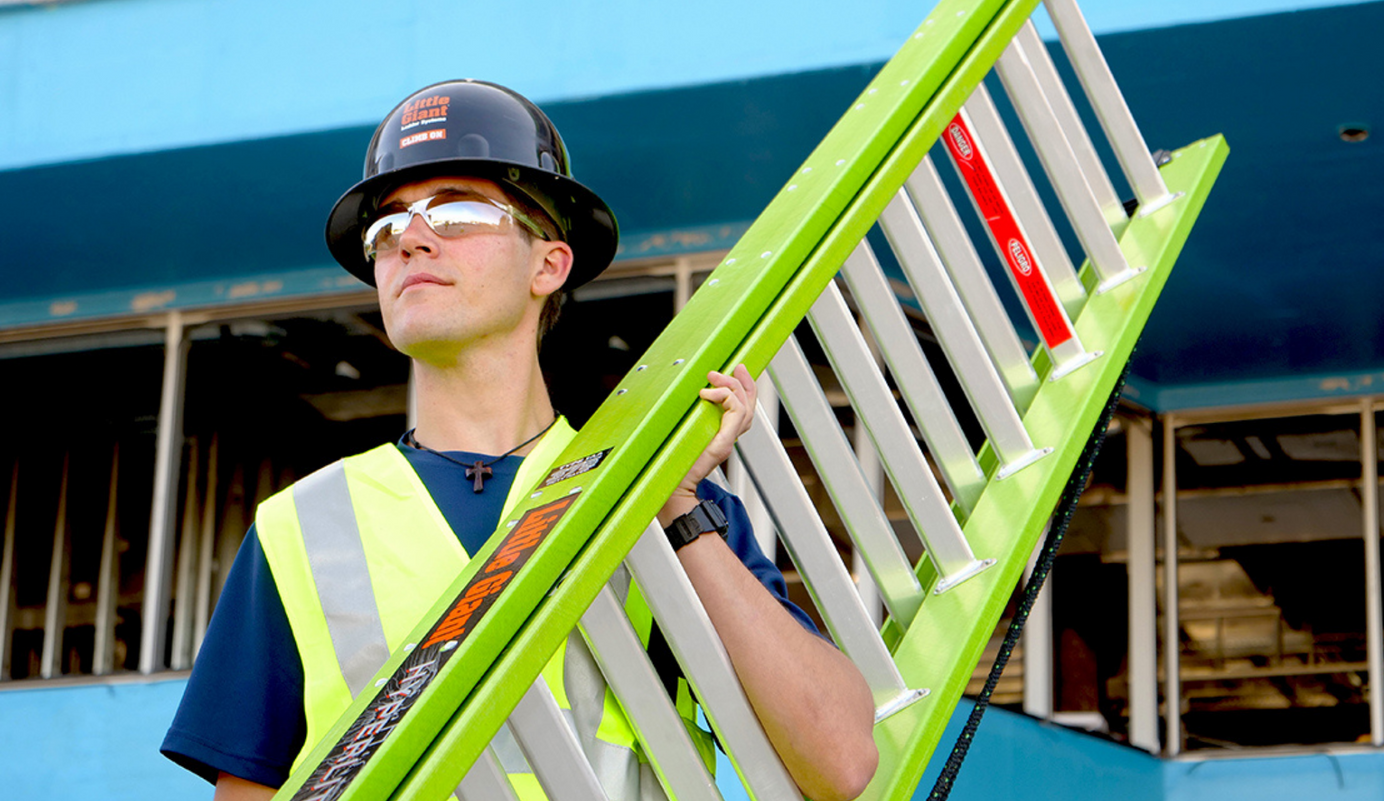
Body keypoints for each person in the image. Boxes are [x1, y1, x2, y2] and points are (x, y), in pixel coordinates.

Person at [161, 80, 877, 801]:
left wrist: (679, 511)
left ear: (548, 265)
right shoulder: (300, 527)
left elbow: (840, 764)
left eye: (459, 211)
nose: (410, 238)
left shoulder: (656, 496)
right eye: (387, 227)